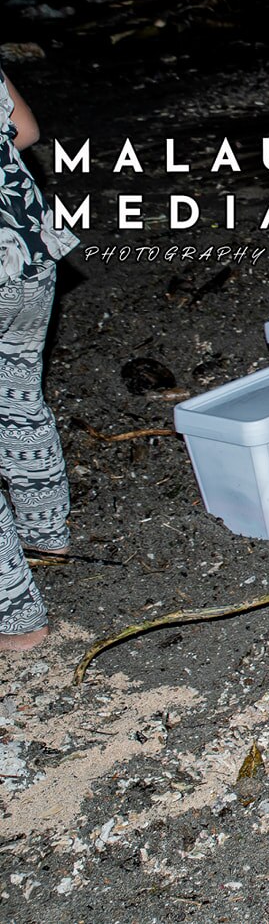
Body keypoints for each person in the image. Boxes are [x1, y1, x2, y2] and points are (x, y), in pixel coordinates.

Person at [0, 71, 79, 654]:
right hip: (25, 248)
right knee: (20, 393)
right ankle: (46, 537)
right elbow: (23, 130)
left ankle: (18, 619)